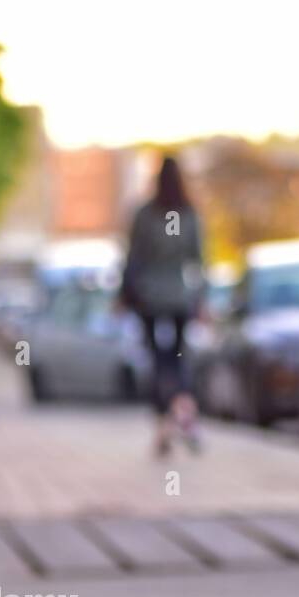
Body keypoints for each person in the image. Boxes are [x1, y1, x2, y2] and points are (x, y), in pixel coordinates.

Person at [121, 155, 204, 455]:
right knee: (179, 358)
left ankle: (163, 426)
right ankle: (184, 408)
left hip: (149, 298)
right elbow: (199, 260)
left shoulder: (145, 214)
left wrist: (124, 294)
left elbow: (133, 257)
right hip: (180, 296)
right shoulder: (189, 213)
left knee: (157, 363)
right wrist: (201, 299)